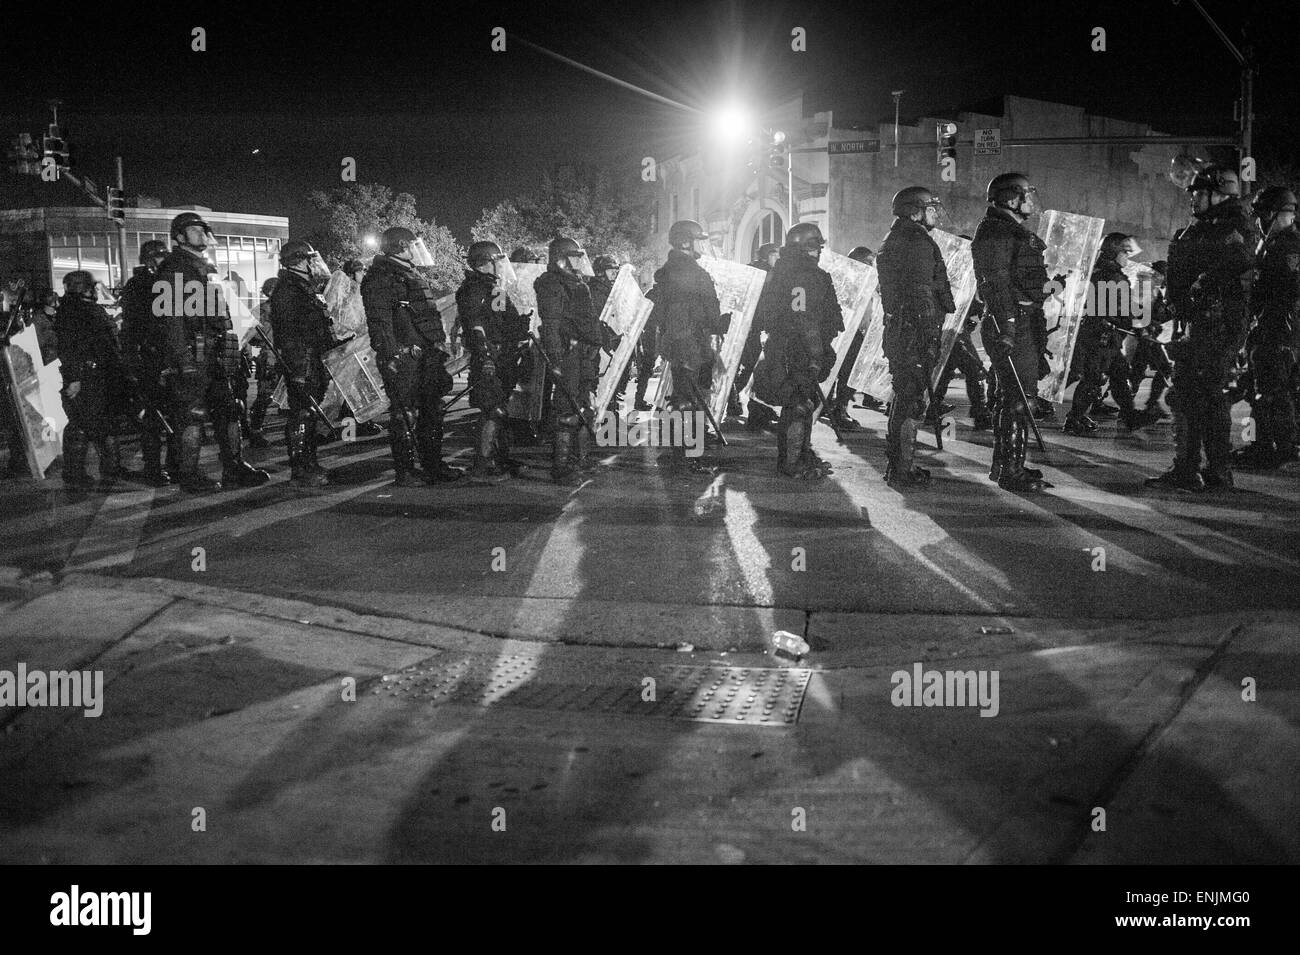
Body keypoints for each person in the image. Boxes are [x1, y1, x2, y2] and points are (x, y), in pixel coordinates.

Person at [1146, 165, 1257, 490]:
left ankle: (1192, 469)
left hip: (1212, 325)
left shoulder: (1229, 230)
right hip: (1200, 324)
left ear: (1219, 194)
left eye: (1200, 193)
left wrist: (1201, 285)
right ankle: (1212, 470)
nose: (1193, 199)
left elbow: (1235, 264)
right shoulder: (1208, 229)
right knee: (1202, 396)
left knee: (1193, 395)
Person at [154, 211, 269, 492]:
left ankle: (235, 467)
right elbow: (171, 320)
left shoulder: (204, 267)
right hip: (194, 355)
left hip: (215, 354)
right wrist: (183, 361)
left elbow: (221, 312)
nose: (202, 233)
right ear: (179, 236)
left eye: (203, 229)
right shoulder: (174, 268)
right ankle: (188, 475)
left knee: (229, 411)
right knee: (191, 416)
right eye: (195, 229)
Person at [361, 226, 462, 486]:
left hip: (426, 355)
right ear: (400, 247)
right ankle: (405, 471)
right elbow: (380, 322)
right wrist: (390, 355)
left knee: (432, 409)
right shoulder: (381, 277)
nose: (417, 250)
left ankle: (433, 464)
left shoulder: (407, 273)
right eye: (411, 246)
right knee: (404, 413)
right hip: (405, 357)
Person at [972, 172, 1050, 491]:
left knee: (1013, 397)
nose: (1031, 200)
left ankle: (1006, 464)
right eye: (1026, 195)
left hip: (1019, 321)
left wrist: (1054, 284)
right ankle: (1011, 471)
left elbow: (1025, 283)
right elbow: (996, 285)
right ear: (1011, 198)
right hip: (1011, 324)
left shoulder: (1006, 230)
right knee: (1019, 399)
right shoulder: (996, 231)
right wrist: (1008, 328)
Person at [876, 187, 955, 488]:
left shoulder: (898, 238)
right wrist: (927, 337)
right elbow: (921, 293)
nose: (935, 212)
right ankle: (901, 469)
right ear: (915, 211)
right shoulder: (914, 241)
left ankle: (899, 465)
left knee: (905, 397)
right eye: (930, 207)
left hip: (903, 331)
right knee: (909, 400)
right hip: (913, 333)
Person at [752, 223, 842, 480]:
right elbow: (805, 318)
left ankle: (801, 455)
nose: (819, 252)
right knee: (799, 404)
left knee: (802, 402)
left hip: (786, 348)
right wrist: (816, 353)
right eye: (816, 247)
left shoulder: (780, 273)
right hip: (800, 350)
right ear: (806, 248)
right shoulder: (806, 276)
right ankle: (792, 462)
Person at [646, 221, 730, 472]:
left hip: (675, 343)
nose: (699, 246)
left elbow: (659, 313)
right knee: (688, 402)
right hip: (691, 344)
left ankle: (677, 454)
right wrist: (722, 322)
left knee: (681, 399)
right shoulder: (695, 275)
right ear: (686, 242)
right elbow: (711, 314)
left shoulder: (667, 273)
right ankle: (685, 459)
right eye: (696, 241)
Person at [1232, 185, 1299, 469]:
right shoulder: (1271, 243)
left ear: (1273, 214)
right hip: (1270, 327)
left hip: (1279, 330)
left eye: (1261, 215)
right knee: (1262, 389)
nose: (1257, 221)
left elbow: (1287, 292)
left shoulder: (1289, 245)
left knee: (1272, 390)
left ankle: (1280, 447)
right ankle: (1264, 444)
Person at [1064, 233, 1155, 435]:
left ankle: (1130, 416)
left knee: (1120, 372)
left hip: (1101, 333)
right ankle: (1074, 419)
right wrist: (1144, 321)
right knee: (1093, 377)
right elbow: (1122, 307)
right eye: (1124, 252)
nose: (1127, 257)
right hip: (1102, 336)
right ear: (1114, 252)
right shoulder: (1111, 275)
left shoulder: (1103, 271)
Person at [457, 240, 530, 483]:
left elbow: (503, 320)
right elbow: (475, 325)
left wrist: (522, 324)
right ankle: (481, 465)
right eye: (496, 261)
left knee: (501, 409)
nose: (501, 266)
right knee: (492, 410)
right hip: (488, 357)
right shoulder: (472, 289)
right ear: (483, 263)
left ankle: (499, 459)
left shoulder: (494, 289)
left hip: (504, 356)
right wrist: (485, 355)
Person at [54, 271, 131, 490]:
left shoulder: (81, 309)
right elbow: (69, 348)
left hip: (100, 374)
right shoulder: (72, 311)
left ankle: (105, 468)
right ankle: (79, 471)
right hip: (88, 375)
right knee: (85, 423)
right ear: (85, 288)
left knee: (98, 421)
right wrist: (73, 378)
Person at [535, 235, 603, 482]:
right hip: (568, 353)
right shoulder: (553, 284)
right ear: (561, 259)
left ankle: (580, 460)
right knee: (567, 411)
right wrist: (556, 360)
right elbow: (551, 325)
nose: (578, 262)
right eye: (573, 257)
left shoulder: (576, 283)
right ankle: (561, 466)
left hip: (584, 354)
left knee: (584, 408)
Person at [270, 240, 335, 488]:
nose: (313, 263)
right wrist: (298, 368)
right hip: (302, 361)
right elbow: (288, 333)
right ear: (299, 260)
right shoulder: (288, 288)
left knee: (309, 413)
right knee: (301, 414)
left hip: (311, 357)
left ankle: (310, 462)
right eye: (309, 259)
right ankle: (300, 468)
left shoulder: (301, 287)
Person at [119, 240, 174, 485]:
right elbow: (133, 327)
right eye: (160, 257)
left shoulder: (167, 281)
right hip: (148, 359)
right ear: (150, 260)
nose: (164, 260)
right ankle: (153, 468)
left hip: (167, 356)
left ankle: (174, 464)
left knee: (174, 415)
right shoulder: (138, 286)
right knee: (153, 418)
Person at [729, 242, 779, 426]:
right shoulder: (760, 271)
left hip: (759, 327)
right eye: (775, 255)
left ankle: (759, 407)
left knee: (757, 369)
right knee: (752, 368)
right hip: (754, 329)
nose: (778, 258)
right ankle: (735, 397)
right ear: (766, 256)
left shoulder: (764, 271)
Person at [246, 277, 279, 448]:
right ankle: (255, 429)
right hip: (272, 359)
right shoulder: (263, 311)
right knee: (264, 397)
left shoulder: (265, 310)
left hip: (279, 357)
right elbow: (250, 336)